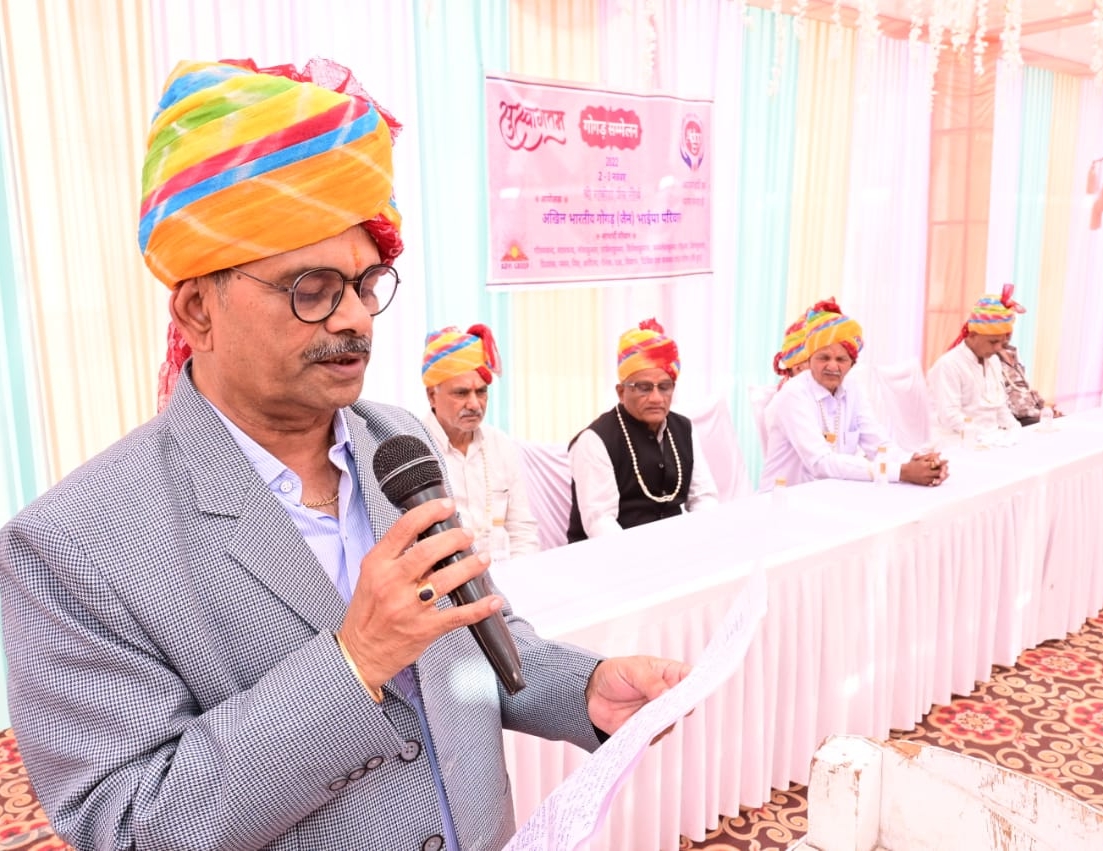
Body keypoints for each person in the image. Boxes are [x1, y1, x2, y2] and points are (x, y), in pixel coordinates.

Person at [0, 59, 688, 851]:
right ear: (198, 308)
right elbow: (129, 827)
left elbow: (472, 634)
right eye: (312, 287)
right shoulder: (73, 544)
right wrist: (352, 661)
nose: (356, 317)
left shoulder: (394, 440)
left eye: (367, 282)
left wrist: (585, 690)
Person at [760, 304, 948, 491]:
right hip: (785, 501)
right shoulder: (793, 394)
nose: (833, 366)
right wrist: (902, 471)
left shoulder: (853, 389)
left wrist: (919, 463)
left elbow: (878, 445)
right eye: (824, 358)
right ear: (809, 360)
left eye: (841, 360)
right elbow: (820, 463)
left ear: (851, 364)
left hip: (832, 495)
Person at [566, 318, 718, 542]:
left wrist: (704, 539)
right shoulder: (595, 440)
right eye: (644, 388)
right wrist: (643, 560)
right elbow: (600, 522)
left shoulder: (684, 428)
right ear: (620, 392)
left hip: (675, 550)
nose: (656, 398)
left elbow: (703, 497)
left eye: (664, 387)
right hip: (610, 559)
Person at [421, 323, 540, 560]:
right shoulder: (415, 450)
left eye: (482, 392)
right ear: (432, 396)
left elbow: (522, 529)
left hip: (509, 579)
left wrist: (526, 579)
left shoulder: (501, 445)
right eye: (461, 393)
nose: (475, 404)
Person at [927, 287, 1022, 438]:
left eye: (1002, 342)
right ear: (972, 335)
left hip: (991, 440)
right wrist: (986, 438)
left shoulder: (994, 361)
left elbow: (1001, 408)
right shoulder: (948, 365)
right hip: (957, 443)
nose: (998, 348)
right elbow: (950, 417)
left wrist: (1016, 431)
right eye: (993, 342)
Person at [1001, 334, 1060, 426]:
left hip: (1032, 412)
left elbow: (1025, 388)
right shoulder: (990, 361)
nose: (1008, 332)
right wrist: (1042, 413)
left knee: (1067, 421)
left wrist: (1044, 405)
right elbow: (1017, 410)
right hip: (1020, 419)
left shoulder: (1012, 353)